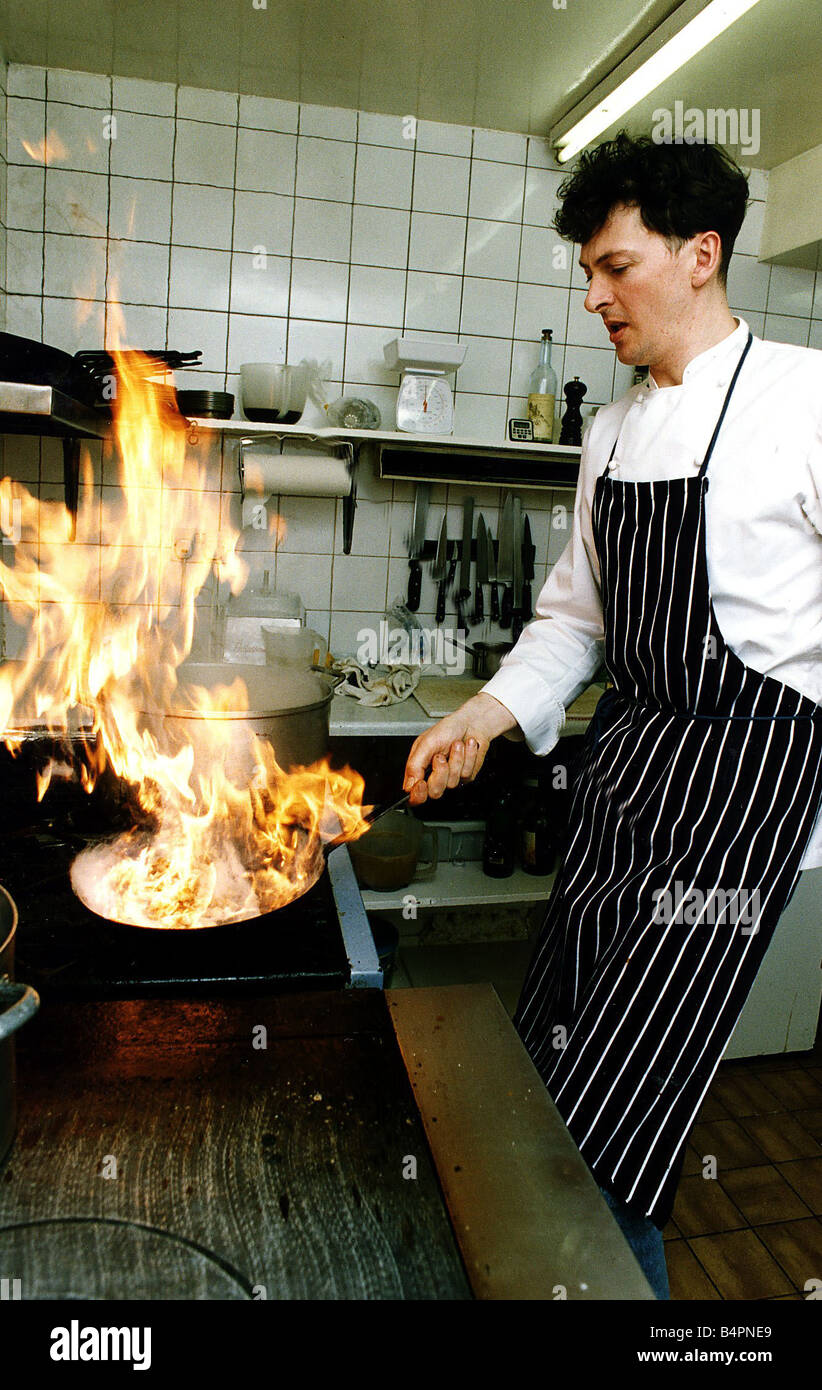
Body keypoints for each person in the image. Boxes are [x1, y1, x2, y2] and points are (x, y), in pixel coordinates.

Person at [402, 132, 822, 1301]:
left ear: (702, 255)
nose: (594, 295)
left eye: (617, 267)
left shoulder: (806, 403)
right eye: (588, 269)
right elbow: (574, 622)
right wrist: (484, 715)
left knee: (613, 1130)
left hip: (741, 807)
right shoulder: (615, 430)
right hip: (625, 778)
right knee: (547, 1077)